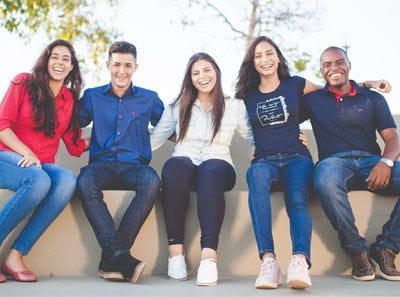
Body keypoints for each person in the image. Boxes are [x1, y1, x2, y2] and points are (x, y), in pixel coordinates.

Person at [235, 36, 387, 290]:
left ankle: (300, 261)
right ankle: (269, 262)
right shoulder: (245, 95)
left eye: (269, 53)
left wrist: (367, 84)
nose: (265, 60)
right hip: (265, 160)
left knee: (297, 199)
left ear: (278, 57)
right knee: (256, 179)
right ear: (252, 62)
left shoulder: (296, 84)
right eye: (258, 56)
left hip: (297, 157)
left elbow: (333, 90)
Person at [150, 52, 254, 286]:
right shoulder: (177, 106)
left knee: (210, 170)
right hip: (184, 164)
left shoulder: (235, 106)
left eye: (206, 70)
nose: (202, 76)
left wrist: (288, 139)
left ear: (216, 72)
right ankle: (176, 254)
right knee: (173, 167)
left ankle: (209, 257)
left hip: (219, 166)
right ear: (190, 78)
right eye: (195, 73)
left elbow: (254, 138)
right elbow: (154, 140)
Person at [302, 46, 400, 282]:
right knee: (324, 179)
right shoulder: (313, 100)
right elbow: (289, 91)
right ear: (321, 70)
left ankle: (386, 248)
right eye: (327, 65)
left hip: (372, 163)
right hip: (334, 164)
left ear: (349, 65)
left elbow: (392, 137)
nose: (334, 68)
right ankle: (357, 251)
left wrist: (386, 162)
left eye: (339, 62)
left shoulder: (372, 98)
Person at [0, 39, 88, 283]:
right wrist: (26, 152)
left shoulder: (69, 99)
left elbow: (75, 144)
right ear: (46, 60)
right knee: (38, 180)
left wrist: (112, 137)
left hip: (40, 164)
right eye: (55, 57)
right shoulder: (23, 82)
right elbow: (2, 126)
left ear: (71, 67)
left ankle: (15, 256)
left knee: (67, 180)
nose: (59, 62)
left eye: (65, 59)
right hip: (6, 156)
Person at [77, 41, 164, 284]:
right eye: (116, 64)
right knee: (84, 181)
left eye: (128, 65)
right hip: (100, 165)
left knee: (152, 181)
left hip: (135, 167)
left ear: (136, 67)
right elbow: (70, 124)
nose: (121, 71)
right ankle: (121, 257)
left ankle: (112, 259)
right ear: (108, 65)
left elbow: (170, 126)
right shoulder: (92, 96)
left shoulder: (149, 98)